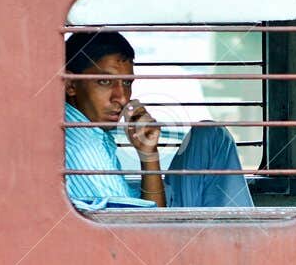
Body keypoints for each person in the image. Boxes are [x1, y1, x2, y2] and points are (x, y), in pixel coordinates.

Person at [62, 31, 251, 210]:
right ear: (71, 84)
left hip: (141, 220)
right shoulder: (85, 150)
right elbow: (141, 230)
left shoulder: (88, 131)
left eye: (127, 83)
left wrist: (148, 154)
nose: (121, 97)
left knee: (209, 136)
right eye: (105, 82)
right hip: (141, 236)